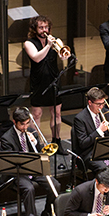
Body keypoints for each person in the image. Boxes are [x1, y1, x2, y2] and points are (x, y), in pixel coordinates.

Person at [0, 107, 61, 216]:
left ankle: (46, 212)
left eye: (27, 123)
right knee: (29, 188)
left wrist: (35, 142)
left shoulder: (32, 132)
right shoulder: (7, 138)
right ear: (15, 122)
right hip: (16, 173)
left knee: (55, 185)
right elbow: (11, 162)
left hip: (33, 169)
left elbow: (39, 155)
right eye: (22, 124)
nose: (25, 127)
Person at [24, 15, 71, 145]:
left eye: (46, 27)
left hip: (54, 80)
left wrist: (62, 53)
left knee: (56, 113)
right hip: (38, 82)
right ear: (35, 29)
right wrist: (48, 46)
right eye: (41, 28)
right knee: (37, 114)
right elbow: (37, 58)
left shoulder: (55, 40)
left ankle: (57, 141)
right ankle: (37, 143)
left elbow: (63, 58)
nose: (44, 30)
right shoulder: (29, 43)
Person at [71, 87, 109, 174]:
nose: (101, 107)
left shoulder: (106, 113)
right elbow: (83, 143)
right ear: (90, 102)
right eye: (98, 104)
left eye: (103, 103)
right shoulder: (80, 118)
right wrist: (99, 131)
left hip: (106, 149)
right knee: (104, 169)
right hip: (89, 153)